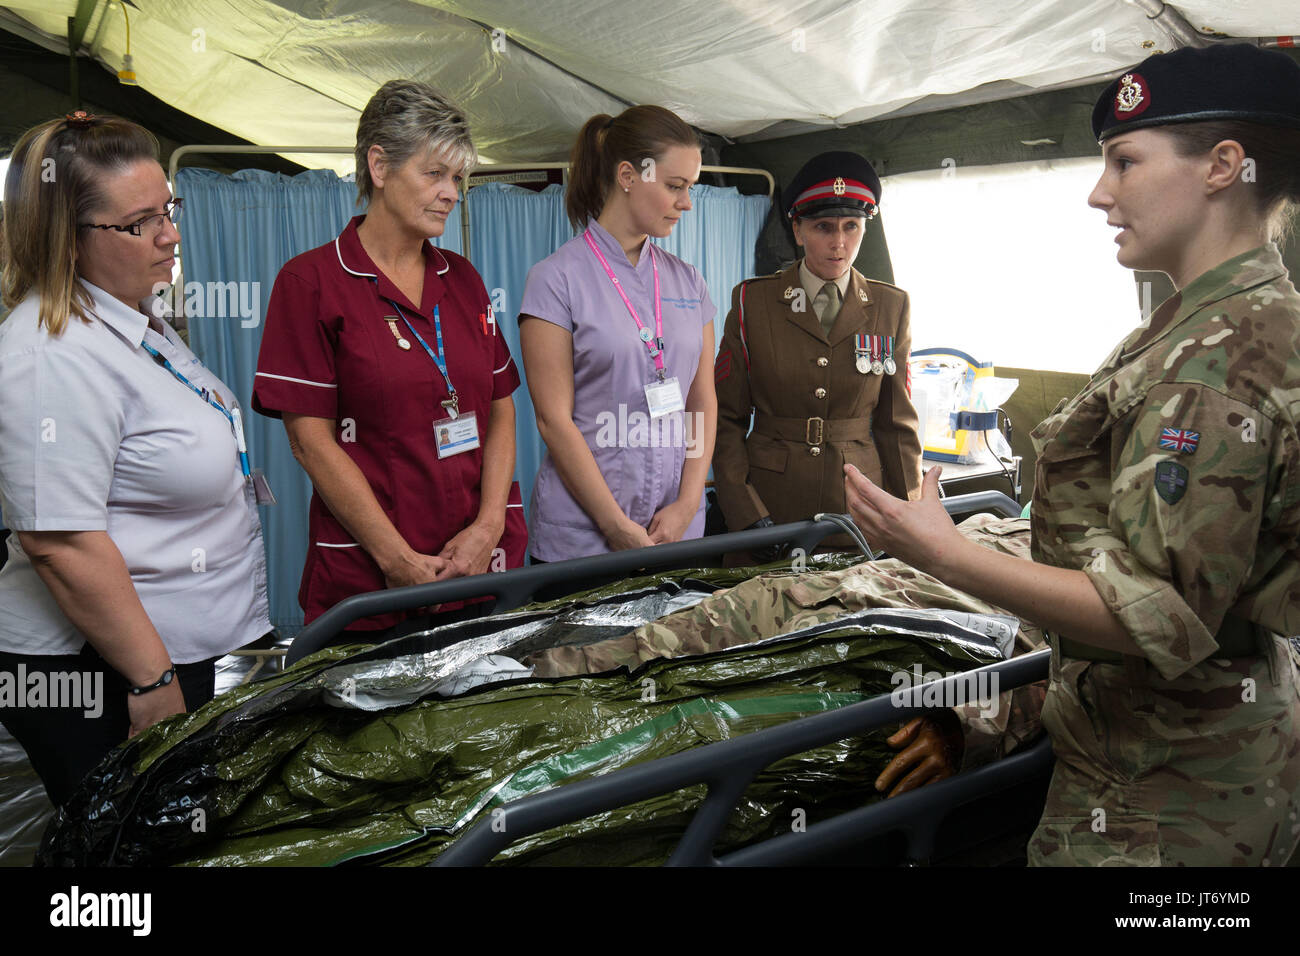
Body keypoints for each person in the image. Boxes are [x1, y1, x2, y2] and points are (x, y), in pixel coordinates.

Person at [846, 43, 1300, 866]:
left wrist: (942, 552)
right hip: (1172, 762)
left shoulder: (1215, 365)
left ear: (1224, 167)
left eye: (1126, 162)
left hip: (1162, 800)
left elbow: (1161, 615)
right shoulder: (1199, 326)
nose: (1100, 193)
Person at [0, 112, 271, 807]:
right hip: (108, 670)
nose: (171, 234)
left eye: (168, 209)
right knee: (128, 856)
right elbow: (62, 543)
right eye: (140, 222)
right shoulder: (49, 355)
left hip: (187, 648)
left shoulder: (135, 319)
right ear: (69, 238)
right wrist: (153, 683)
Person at [253, 80, 527, 637]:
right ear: (379, 166)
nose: (452, 192)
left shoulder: (465, 279)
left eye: (458, 178)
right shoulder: (311, 283)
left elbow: (501, 408)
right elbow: (310, 440)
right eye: (434, 174)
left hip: (478, 562)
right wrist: (395, 557)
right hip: (370, 576)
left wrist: (489, 524)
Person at [519, 105, 717, 562]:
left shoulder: (689, 282)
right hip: (586, 541)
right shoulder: (555, 280)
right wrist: (614, 526)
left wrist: (689, 503)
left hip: (674, 531)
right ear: (628, 175)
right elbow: (553, 420)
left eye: (690, 188)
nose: (686, 203)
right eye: (675, 187)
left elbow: (701, 398)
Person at [713, 151, 922, 558]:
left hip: (860, 511)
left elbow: (897, 424)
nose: (839, 243)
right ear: (797, 229)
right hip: (769, 511)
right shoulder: (753, 303)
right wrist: (744, 510)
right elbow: (725, 418)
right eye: (823, 227)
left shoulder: (889, 306)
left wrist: (908, 510)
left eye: (852, 226)